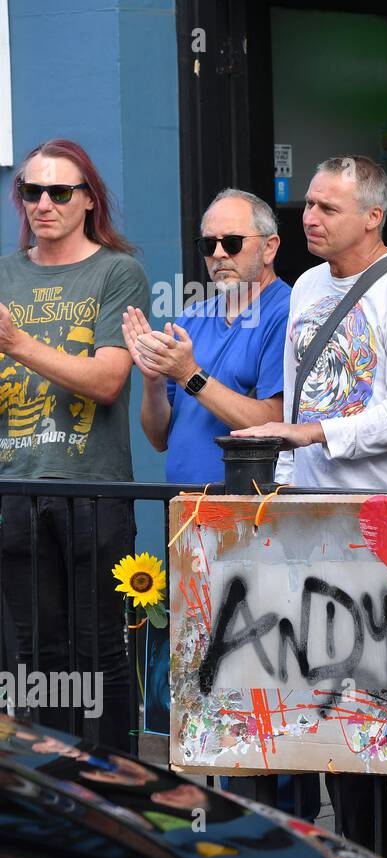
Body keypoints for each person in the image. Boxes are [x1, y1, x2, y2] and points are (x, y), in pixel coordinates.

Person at [232, 155, 387, 858]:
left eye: (327, 207)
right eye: (309, 206)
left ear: (372, 216)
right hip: (316, 517)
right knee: (335, 702)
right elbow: (298, 399)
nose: (310, 219)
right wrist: (290, 479)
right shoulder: (307, 289)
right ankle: (351, 848)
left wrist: (318, 433)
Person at [0, 139, 150, 751]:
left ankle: (116, 796)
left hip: (92, 491)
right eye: (31, 191)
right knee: (36, 659)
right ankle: (55, 798)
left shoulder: (118, 272)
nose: (43, 203)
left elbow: (110, 380)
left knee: (100, 655)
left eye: (59, 191)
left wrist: (18, 344)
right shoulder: (5, 273)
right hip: (17, 487)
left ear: (88, 200)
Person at [123, 189, 290, 483]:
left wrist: (190, 374)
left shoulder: (287, 311)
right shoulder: (192, 315)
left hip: (248, 509)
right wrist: (153, 380)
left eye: (233, 243)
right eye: (208, 244)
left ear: (269, 248)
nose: (219, 254)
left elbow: (275, 423)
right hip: (183, 506)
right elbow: (159, 438)